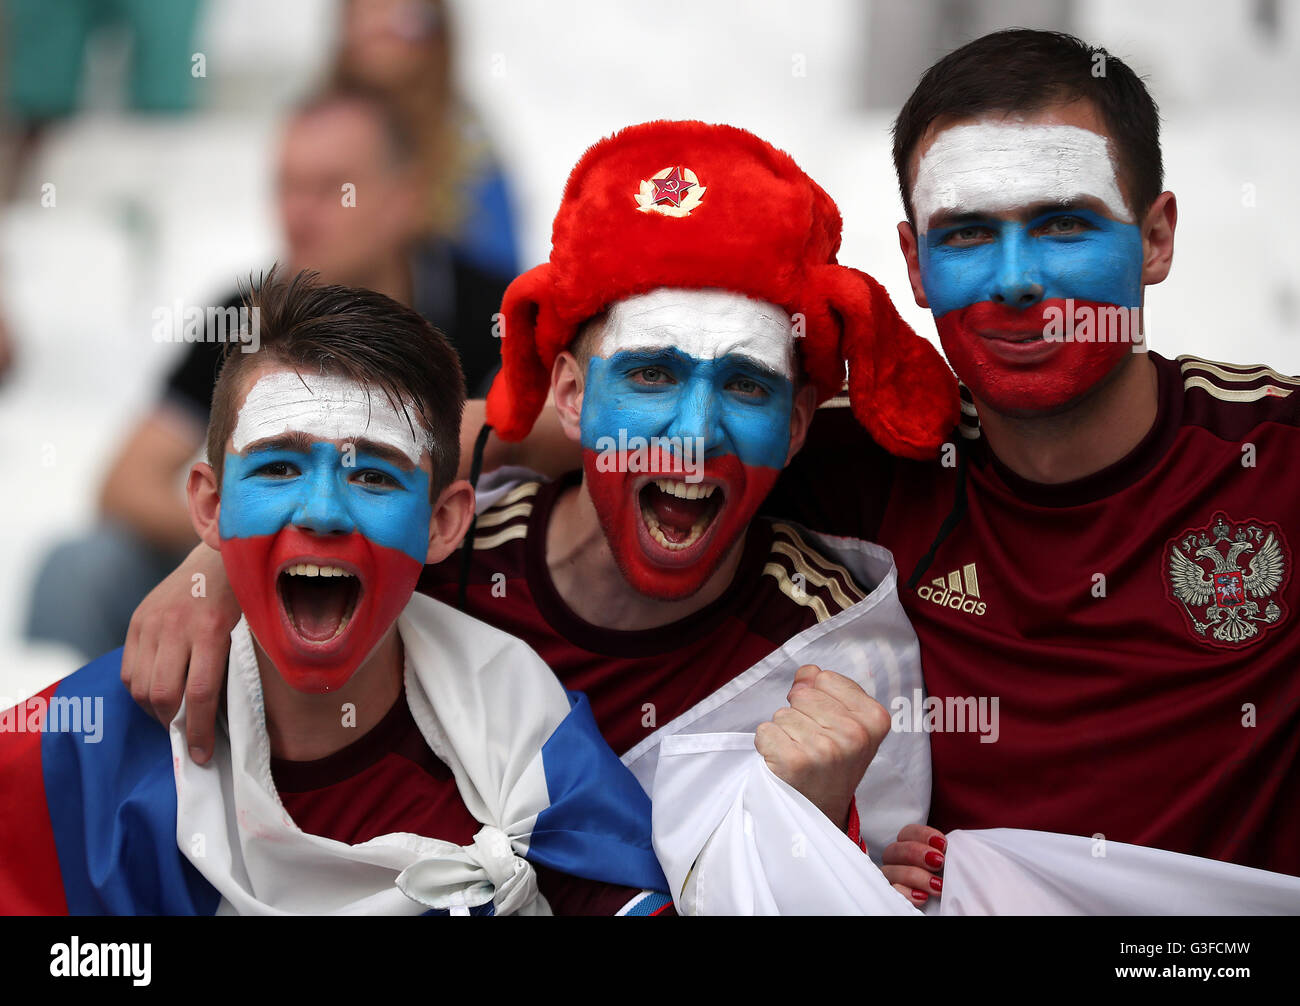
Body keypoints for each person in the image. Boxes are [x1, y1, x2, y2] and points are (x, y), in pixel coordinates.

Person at [118, 120, 963, 913]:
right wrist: (216, 561)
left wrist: (821, 840)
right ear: (569, 394)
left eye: (745, 385)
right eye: (650, 375)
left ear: (798, 423)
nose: (693, 432)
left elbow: (858, 889)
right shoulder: (439, 554)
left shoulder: (835, 651)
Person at [755, 28, 1300, 898]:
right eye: (967, 235)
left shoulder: (1273, 455)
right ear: (915, 266)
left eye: (1062, 224)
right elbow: (575, 440)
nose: (1016, 281)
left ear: (1156, 239)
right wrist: (839, 850)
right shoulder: (867, 458)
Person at [0, 270, 669, 915]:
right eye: (280, 466)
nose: (322, 511)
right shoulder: (85, 748)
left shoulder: (519, 723)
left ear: (443, 524)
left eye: (375, 478)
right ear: (210, 506)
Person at [24, 86, 511, 660]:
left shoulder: (490, 313)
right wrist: (255, 538)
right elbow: (124, 483)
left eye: (331, 188)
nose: (298, 213)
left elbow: (514, 484)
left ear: (404, 197)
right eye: (286, 186)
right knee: (81, 566)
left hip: (430, 578)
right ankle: (70, 740)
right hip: (262, 586)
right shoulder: (246, 314)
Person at [332, 0, 521, 277]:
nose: (377, 26)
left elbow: (500, 273)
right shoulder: (319, 131)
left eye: (396, 12)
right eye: (363, 12)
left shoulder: (467, 144)